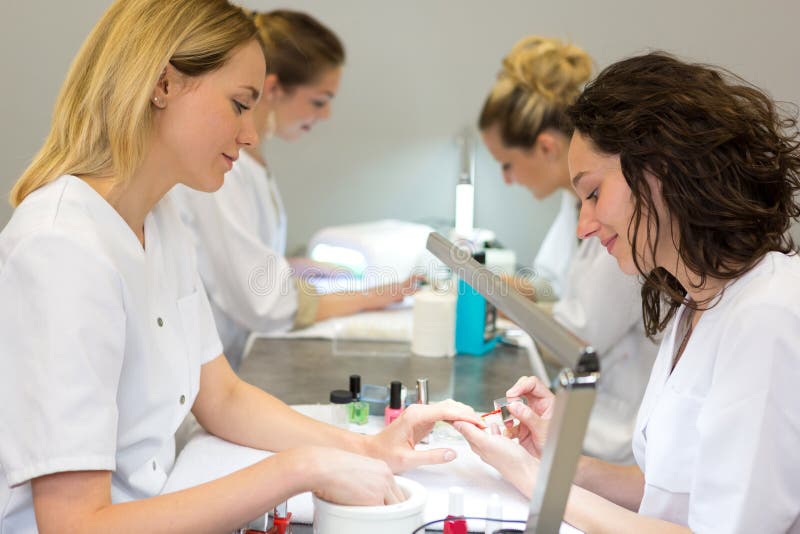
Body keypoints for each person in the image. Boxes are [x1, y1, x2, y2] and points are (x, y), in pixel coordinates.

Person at [0, 1, 481, 532]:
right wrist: (301, 468)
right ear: (162, 85)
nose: (251, 134)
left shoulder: (158, 220)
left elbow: (222, 396)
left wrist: (365, 448)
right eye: (239, 104)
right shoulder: (62, 247)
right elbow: (74, 524)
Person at [456, 52, 800, 532]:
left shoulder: (767, 316)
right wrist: (560, 461)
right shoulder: (691, 306)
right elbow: (666, 492)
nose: (582, 226)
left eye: (593, 193)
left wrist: (535, 481)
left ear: (663, 170)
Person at [170, 10, 416, 369]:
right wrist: (371, 296)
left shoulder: (250, 163)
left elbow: (237, 260)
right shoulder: (220, 170)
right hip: (210, 379)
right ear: (272, 89)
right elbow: (264, 302)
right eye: (319, 100)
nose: (327, 115)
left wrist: (291, 267)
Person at [478, 36, 657, 464]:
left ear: (545, 146)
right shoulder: (572, 204)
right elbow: (555, 285)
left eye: (506, 162)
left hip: (615, 436)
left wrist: (508, 302)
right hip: (586, 416)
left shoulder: (620, 217)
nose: (506, 178)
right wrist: (511, 290)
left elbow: (582, 334)